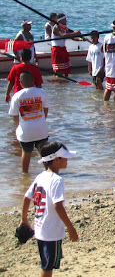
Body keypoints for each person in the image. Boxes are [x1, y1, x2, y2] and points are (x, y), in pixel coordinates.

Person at [19, 141, 79, 277]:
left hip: (40, 229)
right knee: (48, 266)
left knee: (46, 263)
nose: (67, 160)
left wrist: (24, 219)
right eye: (65, 157)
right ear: (56, 160)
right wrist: (70, 227)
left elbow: (26, 198)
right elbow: (58, 206)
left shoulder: (40, 177)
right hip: (52, 233)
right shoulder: (57, 180)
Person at [9, 71, 49, 172]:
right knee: (43, 152)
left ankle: (25, 175)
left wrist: (19, 125)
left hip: (26, 131)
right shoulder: (41, 92)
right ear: (32, 81)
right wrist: (42, 120)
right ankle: (48, 172)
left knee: (26, 153)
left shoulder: (17, 96)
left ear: (20, 82)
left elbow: (14, 115)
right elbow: (46, 108)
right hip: (41, 129)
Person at [50, 14, 81, 79]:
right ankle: (58, 81)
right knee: (59, 70)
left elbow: (71, 37)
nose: (66, 21)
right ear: (61, 20)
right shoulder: (56, 27)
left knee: (65, 69)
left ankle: (63, 82)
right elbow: (62, 35)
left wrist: (80, 39)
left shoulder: (63, 27)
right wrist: (75, 33)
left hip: (62, 49)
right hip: (57, 50)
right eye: (65, 19)